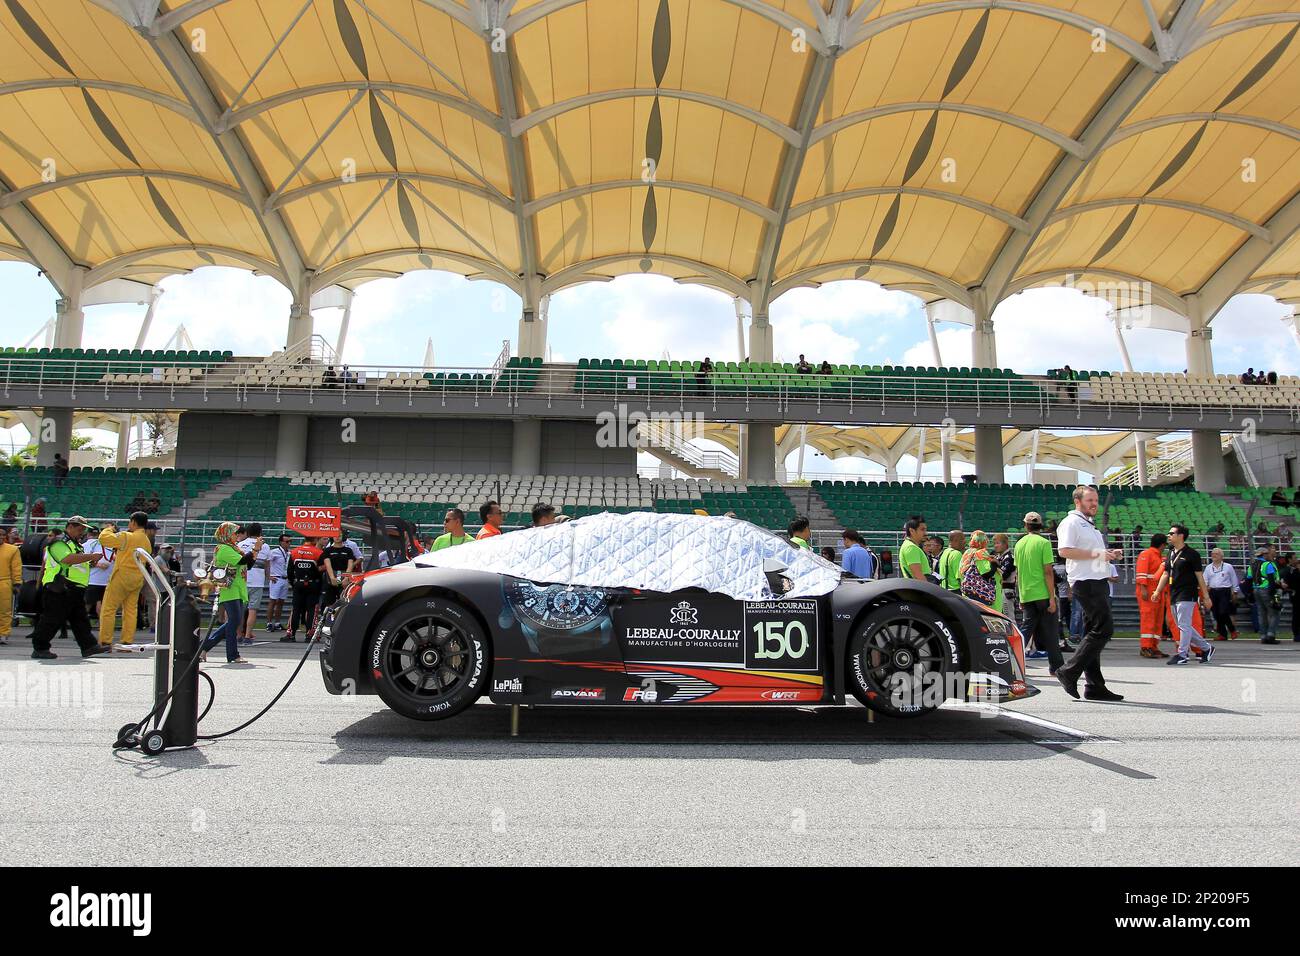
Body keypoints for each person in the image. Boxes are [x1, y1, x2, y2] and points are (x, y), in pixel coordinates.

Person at [1054, 486, 1124, 701]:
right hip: (1086, 582)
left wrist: (1108, 554)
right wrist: (1099, 554)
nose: (1095, 503)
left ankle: (1094, 686)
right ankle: (1068, 671)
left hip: (1096, 580)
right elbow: (1064, 551)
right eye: (1090, 500)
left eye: (1096, 500)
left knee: (1091, 632)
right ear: (1078, 501)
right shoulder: (1071, 522)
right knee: (1103, 630)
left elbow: (1091, 554)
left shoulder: (1087, 524)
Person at [29, 518, 109, 660]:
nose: (82, 532)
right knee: (52, 619)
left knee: (80, 619)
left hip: (72, 587)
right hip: (59, 586)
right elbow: (67, 559)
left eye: (83, 530)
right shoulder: (59, 542)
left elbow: (75, 564)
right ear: (70, 526)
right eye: (80, 529)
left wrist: (89, 562)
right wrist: (91, 556)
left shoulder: (74, 543)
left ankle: (89, 646)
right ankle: (40, 648)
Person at [1151, 524, 1215, 665]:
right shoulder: (1171, 553)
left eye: (1171, 533)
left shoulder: (1192, 554)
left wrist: (1206, 596)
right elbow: (1166, 574)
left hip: (1187, 593)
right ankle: (1206, 648)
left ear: (1180, 536)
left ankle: (1182, 654)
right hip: (1174, 593)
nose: (1168, 535)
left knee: (1184, 625)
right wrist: (1157, 591)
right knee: (1183, 625)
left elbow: (1200, 577)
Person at [1014, 512, 1063, 673]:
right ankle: (1057, 667)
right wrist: (1051, 598)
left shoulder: (1019, 544)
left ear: (1025, 525)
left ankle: (1013, 661)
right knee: (1050, 631)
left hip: (1027, 593)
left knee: (1026, 629)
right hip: (1042, 592)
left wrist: (1021, 596)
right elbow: (1048, 572)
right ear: (1040, 525)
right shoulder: (1043, 543)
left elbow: (1019, 572)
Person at [96, 511, 153, 651]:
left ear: (133, 522)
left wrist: (109, 528)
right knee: (130, 611)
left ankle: (105, 642)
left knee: (108, 609)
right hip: (137, 578)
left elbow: (103, 539)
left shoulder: (127, 536)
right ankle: (127, 643)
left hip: (121, 576)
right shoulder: (146, 540)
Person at [200, 522, 250, 664]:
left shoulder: (234, 548)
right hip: (229, 589)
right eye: (234, 533)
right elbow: (243, 560)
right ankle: (232, 654)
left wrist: (255, 552)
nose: (237, 535)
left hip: (237, 588)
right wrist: (253, 551)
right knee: (234, 621)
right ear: (227, 534)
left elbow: (249, 563)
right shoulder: (224, 549)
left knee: (233, 622)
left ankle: (204, 647)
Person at [1135, 533, 1171, 658]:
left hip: (1157, 592)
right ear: (1162, 545)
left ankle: (1153, 646)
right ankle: (1145, 647)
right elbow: (1141, 573)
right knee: (1148, 619)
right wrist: (1143, 588)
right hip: (1148, 592)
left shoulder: (1158, 556)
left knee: (1157, 620)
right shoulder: (1146, 554)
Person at [285, 535, 324, 642]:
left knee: (296, 609)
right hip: (313, 584)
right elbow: (321, 571)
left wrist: (294, 583)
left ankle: (291, 634)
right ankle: (310, 634)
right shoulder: (318, 552)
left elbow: (289, 571)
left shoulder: (294, 552)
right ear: (315, 539)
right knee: (311, 610)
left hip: (298, 584)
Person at [237, 522, 270, 645]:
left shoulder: (240, 544)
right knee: (253, 610)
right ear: (260, 532)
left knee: (240, 609)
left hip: (243, 579)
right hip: (257, 581)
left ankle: (238, 634)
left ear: (248, 532)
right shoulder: (265, 546)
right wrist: (268, 576)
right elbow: (267, 564)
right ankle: (247, 635)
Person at [1246, 545, 1285, 644]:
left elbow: (1248, 580)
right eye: (1267, 553)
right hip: (1267, 590)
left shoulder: (1252, 565)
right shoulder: (1268, 564)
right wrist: (1273, 595)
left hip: (1256, 590)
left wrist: (1249, 594)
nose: (1268, 555)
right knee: (1274, 613)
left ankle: (1263, 636)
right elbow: (1271, 581)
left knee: (1261, 614)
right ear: (1264, 554)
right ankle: (1271, 635)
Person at [958, 530, 1001, 611]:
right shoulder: (980, 552)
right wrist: (994, 563)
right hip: (982, 595)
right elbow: (986, 573)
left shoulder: (967, 552)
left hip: (969, 593)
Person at [1204, 547, 1241, 641]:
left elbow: (1234, 579)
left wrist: (1235, 591)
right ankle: (1223, 634)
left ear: (1221, 556)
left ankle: (1232, 630)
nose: (1213, 555)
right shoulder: (1208, 568)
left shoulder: (1228, 566)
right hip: (1213, 591)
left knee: (1223, 611)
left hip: (1224, 591)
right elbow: (1205, 580)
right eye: (1212, 553)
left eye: (1216, 553)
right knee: (1216, 613)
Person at [319, 535, 356, 613]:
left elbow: (350, 565)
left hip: (343, 576)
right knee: (328, 602)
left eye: (339, 535)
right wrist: (332, 578)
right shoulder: (328, 550)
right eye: (335, 535)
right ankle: (327, 620)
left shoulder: (348, 550)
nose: (337, 537)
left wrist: (346, 578)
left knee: (344, 601)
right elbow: (327, 565)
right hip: (331, 577)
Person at [83, 532, 113, 623]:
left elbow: (83, 562)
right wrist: (98, 564)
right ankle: (103, 628)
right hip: (101, 580)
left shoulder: (86, 546)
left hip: (94, 581)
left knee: (91, 604)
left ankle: (82, 625)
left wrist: (96, 564)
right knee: (98, 605)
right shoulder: (109, 547)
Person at [266, 533, 290, 632]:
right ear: (281, 542)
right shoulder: (274, 552)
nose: (289, 543)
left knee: (281, 602)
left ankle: (277, 622)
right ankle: (269, 623)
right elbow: (267, 562)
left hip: (285, 578)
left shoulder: (289, 553)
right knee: (273, 601)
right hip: (276, 578)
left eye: (290, 541)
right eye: (287, 541)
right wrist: (268, 576)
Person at [0, 530, 19, 645]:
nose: (1, 537)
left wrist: (17, 583)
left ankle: (3, 634)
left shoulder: (12, 549)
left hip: (4, 582)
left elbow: (16, 567)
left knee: (5, 610)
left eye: (3, 535)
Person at [898, 515, 929, 581]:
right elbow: (918, 575)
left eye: (925, 530)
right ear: (911, 531)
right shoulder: (911, 547)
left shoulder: (910, 546)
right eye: (922, 530)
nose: (925, 533)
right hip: (920, 589)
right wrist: (930, 590)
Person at [993, 532, 1016, 615]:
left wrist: (996, 564)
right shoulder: (998, 557)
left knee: (1009, 617)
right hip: (999, 591)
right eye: (994, 543)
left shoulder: (1010, 558)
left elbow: (1004, 575)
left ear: (1005, 544)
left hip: (1006, 591)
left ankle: (1014, 628)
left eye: (998, 543)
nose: (995, 546)